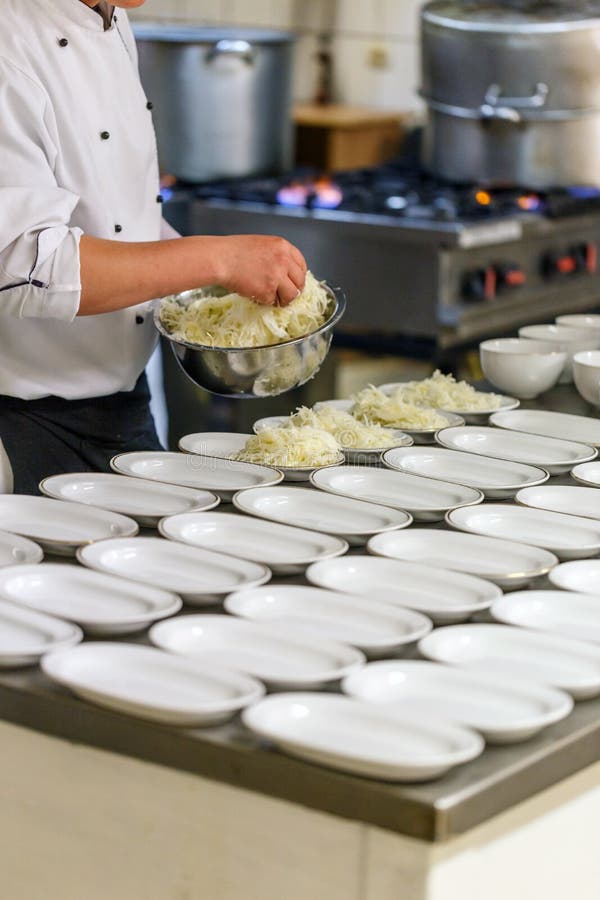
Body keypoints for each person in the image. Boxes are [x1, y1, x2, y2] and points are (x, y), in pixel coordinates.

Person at [0, 0, 307, 494]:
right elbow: (25, 265)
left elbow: (121, 217)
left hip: (125, 406)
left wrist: (213, 289)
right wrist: (219, 258)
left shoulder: (112, 19)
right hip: (23, 427)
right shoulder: (7, 45)